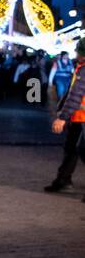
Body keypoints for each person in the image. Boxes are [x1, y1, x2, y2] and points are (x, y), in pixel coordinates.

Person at [45, 39, 85, 195]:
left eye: (78, 51)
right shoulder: (79, 67)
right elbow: (71, 92)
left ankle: (63, 181)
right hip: (78, 116)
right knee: (71, 149)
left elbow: (75, 95)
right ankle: (63, 180)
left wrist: (62, 117)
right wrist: (63, 111)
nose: (76, 54)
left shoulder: (83, 69)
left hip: (82, 117)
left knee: (81, 149)